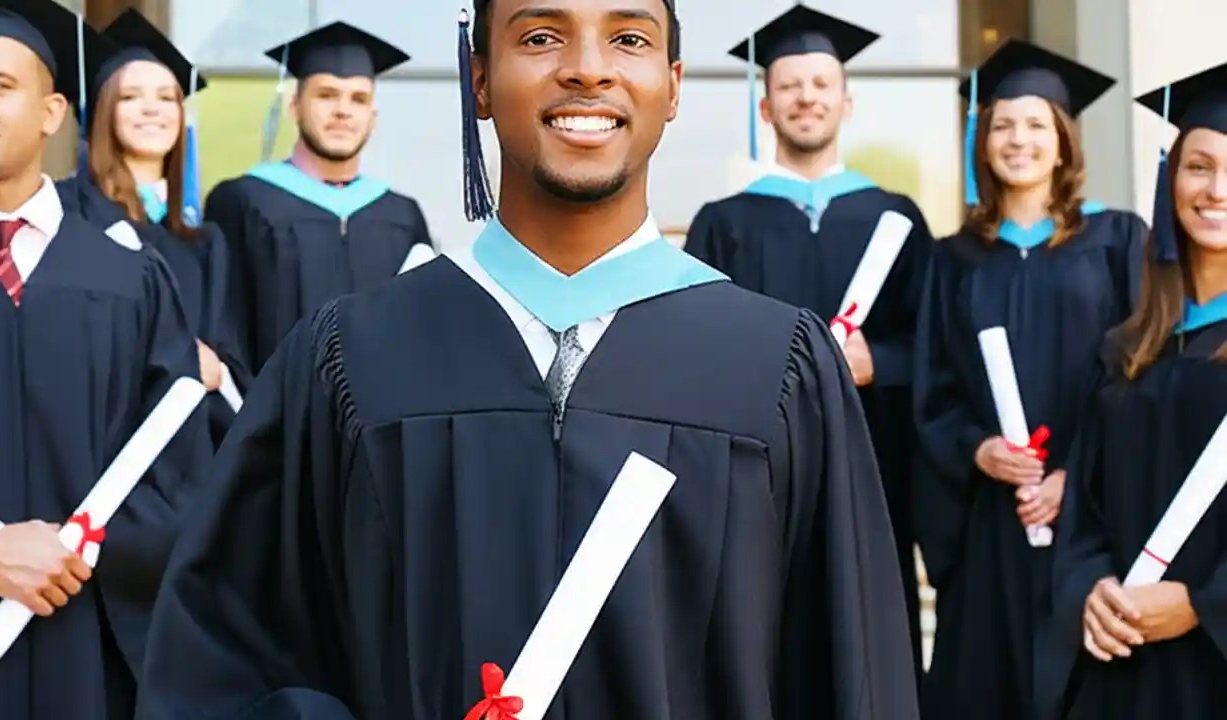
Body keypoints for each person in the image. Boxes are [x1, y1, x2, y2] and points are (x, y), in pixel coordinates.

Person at [136, 0, 919, 718]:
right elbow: (226, 653)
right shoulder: (351, 358)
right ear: (478, 79)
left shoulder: (775, 364)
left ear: (673, 86)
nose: (587, 66)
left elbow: (854, 675)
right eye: (540, 37)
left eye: (630, 38)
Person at [0, 2, 209, 719]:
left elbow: (179, 466)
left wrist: (81, 553)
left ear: (53, 111)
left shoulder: (130, 277)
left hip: (87, 647)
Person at [683, 4, 934, 673]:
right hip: (762, 472)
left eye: (821, 84)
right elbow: (700, 349)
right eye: (790, 86)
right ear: (765, 108)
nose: (807, 98)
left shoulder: (894, 217)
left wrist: (878, 360)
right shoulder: (725, 222)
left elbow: (935, 342)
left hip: (875, 465)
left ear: (846, 103)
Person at [911, 39, 1147, 720]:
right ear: (982, 143)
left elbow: (1139, 372)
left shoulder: (1115, 239)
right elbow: (934, 390)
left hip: (1092, 516)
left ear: (1064, 142)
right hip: (993, 519)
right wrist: (976, 450)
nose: (1019, 140)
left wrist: (1078, 474)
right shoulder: (952, 259)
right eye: (1003, 125)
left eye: (1036, 124)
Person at [1036, 61, 1227, 720]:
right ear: (1170, 178)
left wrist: (1203, 604)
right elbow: (1085, 512)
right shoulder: (1127, 350)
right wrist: (1090, 588)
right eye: (1198, 166)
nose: (1216, 189)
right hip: (1124, 667)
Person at [57, 8, 248, 445]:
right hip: (94, 441)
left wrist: (217, 369)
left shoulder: (205, 240)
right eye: (130, 97)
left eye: (166, 98)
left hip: (186, 449)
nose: (152, 110)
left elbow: (227, 359)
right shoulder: (67, 213)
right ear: (101, 111)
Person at [203, 21, 434, 375]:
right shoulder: (242, 202)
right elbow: (223, 330)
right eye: (326, 95)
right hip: (274, 422)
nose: (343, 110)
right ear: (295, 106)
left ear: (372, 118)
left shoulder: (401, 216)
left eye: (358, 99)